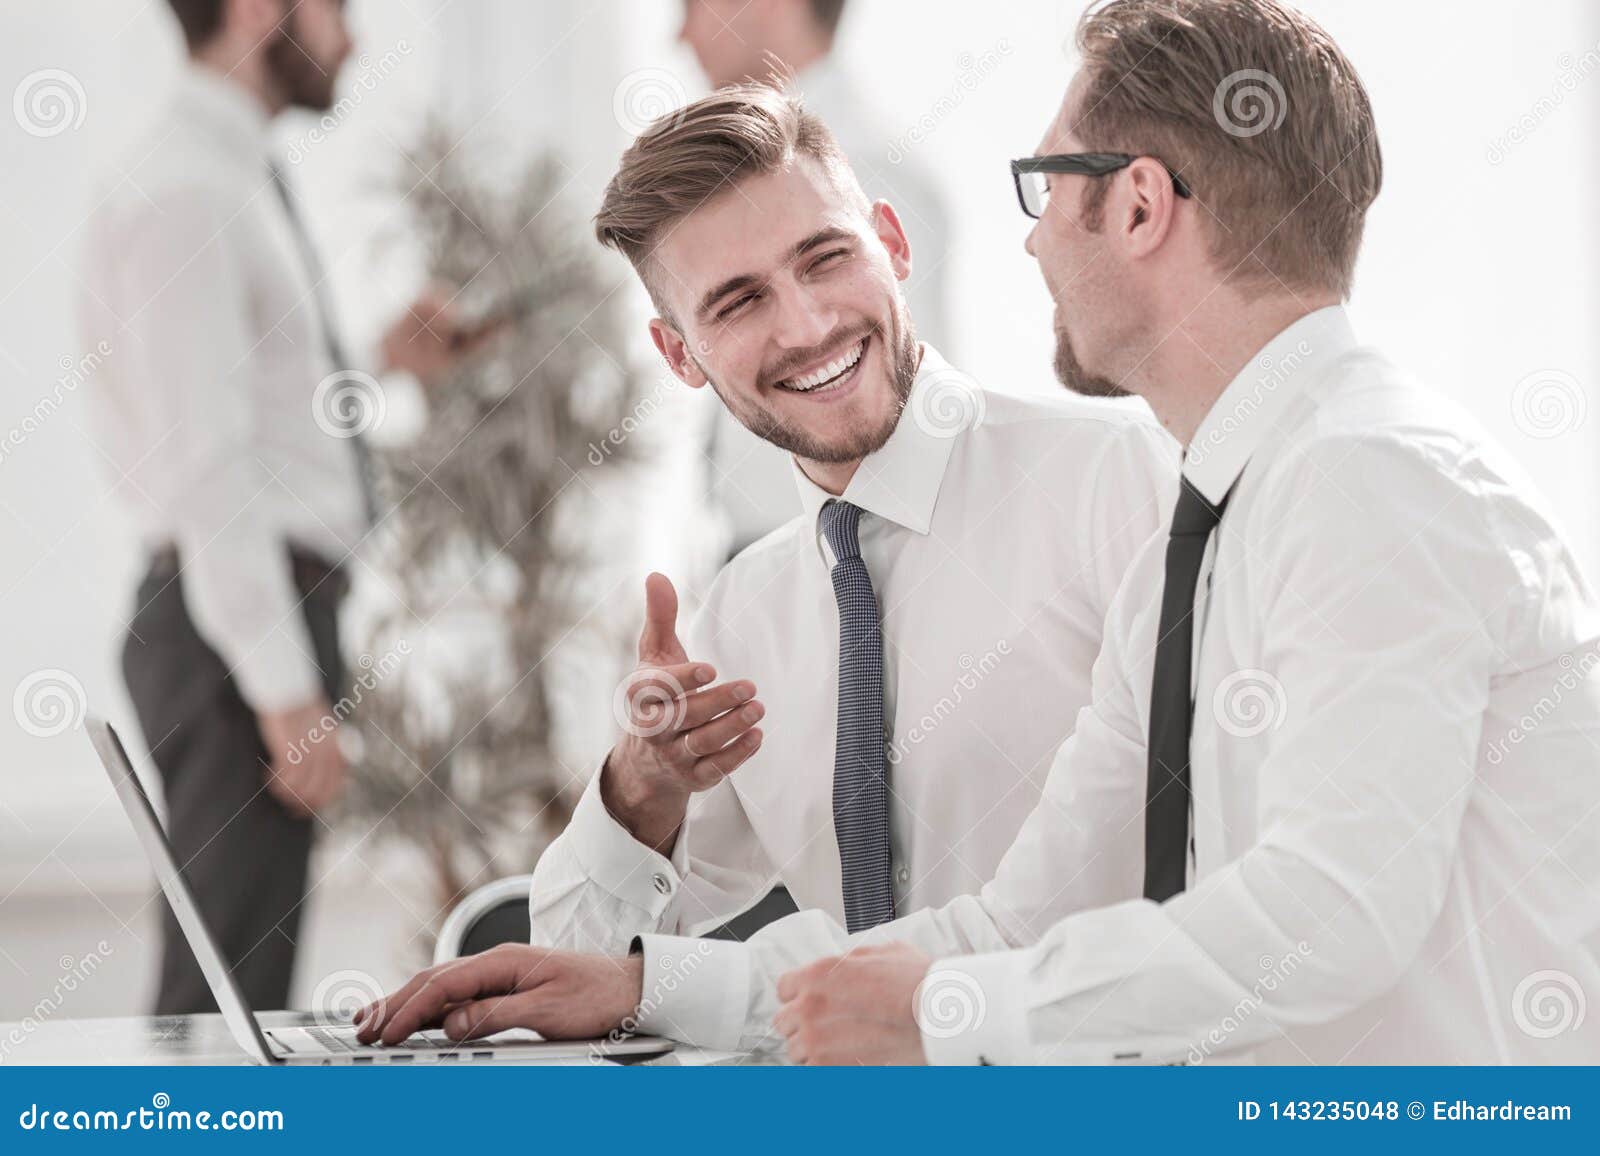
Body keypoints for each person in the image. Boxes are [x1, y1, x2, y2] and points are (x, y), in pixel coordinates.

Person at [356, 0, 1600, 1066]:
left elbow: (1319, 917)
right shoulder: (1225, 518)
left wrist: (946, 1011)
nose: (1027, 230)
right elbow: (1015, 923)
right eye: (736, 299)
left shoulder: (1341, 482)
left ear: (1141, 207)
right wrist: (651, 979)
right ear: (678, 352)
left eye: (1047, 184)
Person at [353, 82, 1174, 1043]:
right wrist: (641, 791)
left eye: (825, 259)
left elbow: (1106, 922)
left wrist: (661, 988)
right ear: (679, 355)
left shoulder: (1114, 484)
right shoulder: (744, 612)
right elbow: (579, 964)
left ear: (893, 246)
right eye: (738, 303)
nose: (805, 325)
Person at [80, 0, 490, 1014]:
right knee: (223, 1005)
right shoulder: (187, 192)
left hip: (245, 615)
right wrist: (283, 693)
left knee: (232, 994)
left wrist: (378, 365)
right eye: (339, 8)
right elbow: (208, 467)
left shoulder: (225, 178)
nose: (351, 38)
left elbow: (253, 423)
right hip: (237, 627)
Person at [678, 0, 956, 555]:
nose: (682, 35)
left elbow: (899, 415)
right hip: (785, 557)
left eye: (692, 6)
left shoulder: (863, 167)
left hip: (842, 562)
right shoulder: (782, 170)